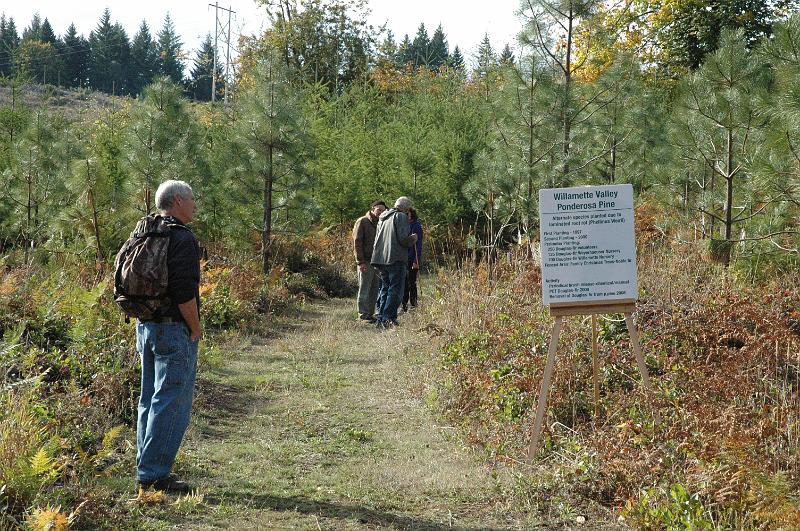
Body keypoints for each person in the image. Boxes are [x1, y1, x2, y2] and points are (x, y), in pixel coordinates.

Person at [136, 180, 201, 494]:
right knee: (172, 401)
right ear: (177, 200)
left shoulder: (145, 229)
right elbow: (183, 291)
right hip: (174, 329)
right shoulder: (182, 238)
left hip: (145, 326)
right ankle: (154, 475)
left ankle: (147, 466)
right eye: (191, 199)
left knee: (149, 399)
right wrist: (196, 327)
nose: (194, 205)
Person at [371, 196, 418, 328]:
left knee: (385, 289)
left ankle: (381, 318)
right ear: (406, 209)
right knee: (395, 290)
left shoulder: (383, 216)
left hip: (381, 259)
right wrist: (414, 238)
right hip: (395, 258)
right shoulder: (400, 217)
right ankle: (388, 319)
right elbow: (403, 239)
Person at [353, 200, 387, 322]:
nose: (381, 212)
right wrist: (360, 261)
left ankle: (370, 314)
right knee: (364, 288)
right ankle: (362, 315)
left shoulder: (382, 222)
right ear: (373, 209)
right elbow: (357, 242)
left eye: (383, 210)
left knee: (374, 289)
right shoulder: (362, 221)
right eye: (379, 209)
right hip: (365, 260)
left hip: (377, 262)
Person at [402, 208, 423, 312]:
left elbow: (418, 245)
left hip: (412, 258)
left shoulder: (417, 226)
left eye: (407, 213)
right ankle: (403, 305)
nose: (405, 215)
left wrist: (416, 260)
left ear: (412, 215)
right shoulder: (402, 225)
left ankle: (414, 304)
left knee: (411, 282)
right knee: (403, 282)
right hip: (402, 258)